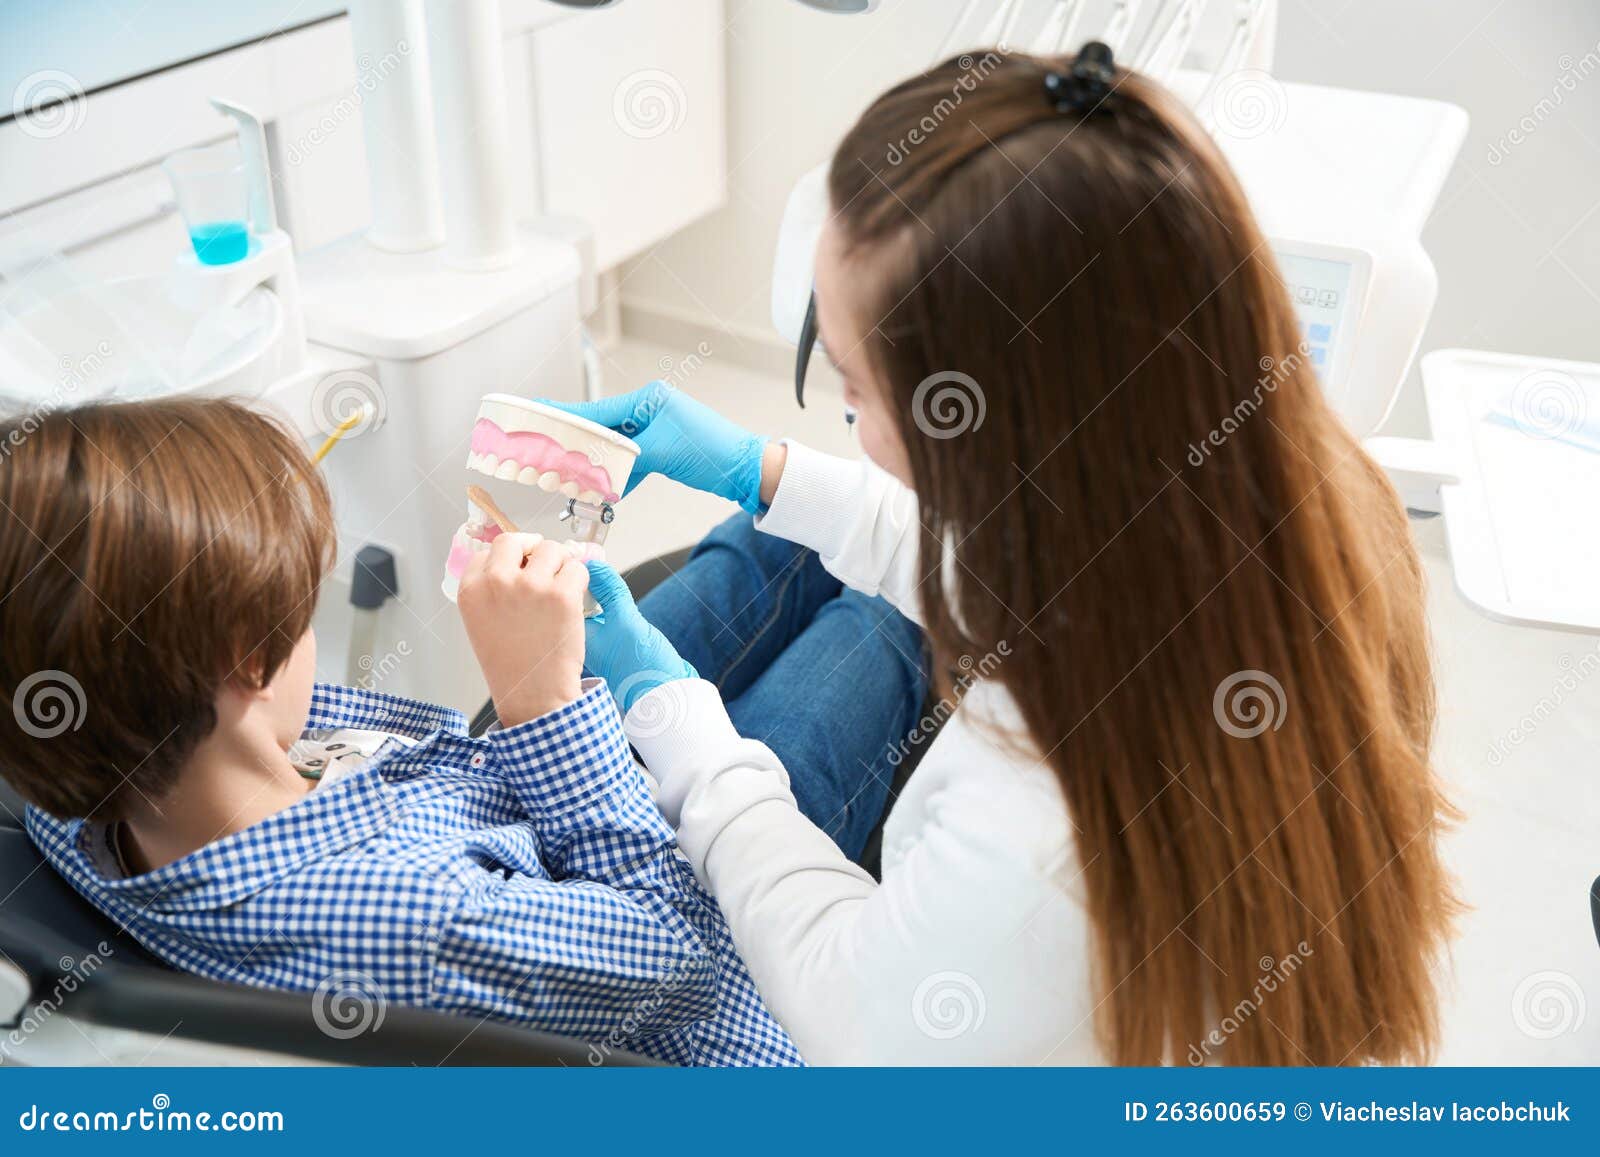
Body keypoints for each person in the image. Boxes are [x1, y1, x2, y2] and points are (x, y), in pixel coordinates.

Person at [562, 45, 1459, 1065]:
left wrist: (677, 722)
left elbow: (849, 1007)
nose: (844, 418)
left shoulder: (1037, 839)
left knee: (809, 599)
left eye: (854, 393)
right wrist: (761, 473)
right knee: (775, 549)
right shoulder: (1296, 501)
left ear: (986, 427)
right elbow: (1036, 573)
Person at [0, 397, 801, 1066]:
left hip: (529, 801)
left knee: (764, 555)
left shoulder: (83, 773)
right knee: (852, 605)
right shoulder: (421, 917)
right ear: (244, 659)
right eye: (300, 613)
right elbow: (686, 957)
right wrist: (543, 704)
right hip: (728, 961)